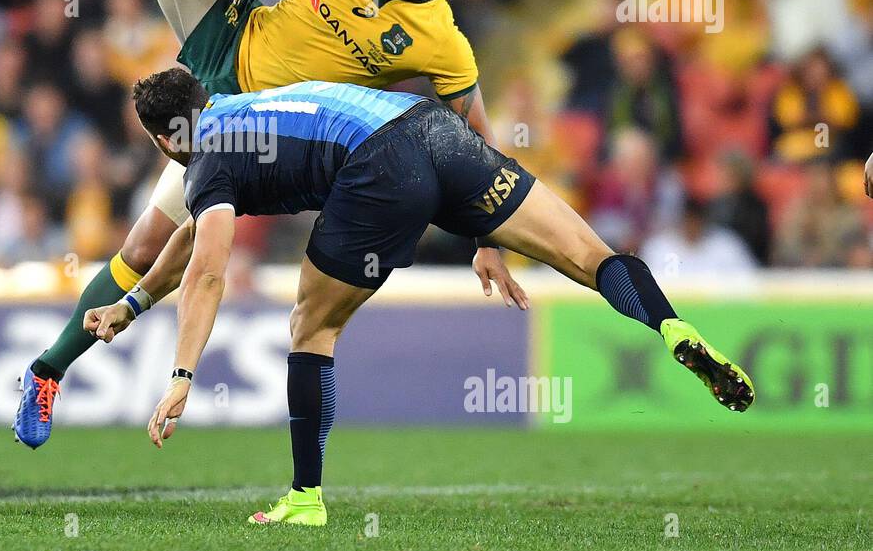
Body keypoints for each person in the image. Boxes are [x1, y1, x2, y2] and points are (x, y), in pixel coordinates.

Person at [5, 0, 523, 448]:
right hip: (234, 33)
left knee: (146, 246)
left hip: (251, 129)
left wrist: (487, 238)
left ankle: (45, 373)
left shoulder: (443, 43)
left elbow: (480, 141)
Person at [84, 70, 755, 527]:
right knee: (592, 257)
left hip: (381, 165)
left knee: (310, 329)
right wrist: (134, 304)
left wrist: (180, 376)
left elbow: (207, 272)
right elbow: (194, 240)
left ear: (161, 136)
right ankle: (669, 327)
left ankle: (305, 497)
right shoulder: (245, 108)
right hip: (435, 130)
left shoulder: (205, 156)